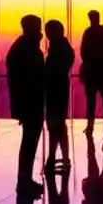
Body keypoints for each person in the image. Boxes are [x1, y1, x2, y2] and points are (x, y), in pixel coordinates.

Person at [8, 15, 47, 198]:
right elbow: (31, 77)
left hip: (29, 102)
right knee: (29, 143)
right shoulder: (26, 50)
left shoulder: (22, 48)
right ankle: (24, 181)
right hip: (31, 102)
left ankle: (25, 180)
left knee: (29, 142)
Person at [44, 20, 75, 175]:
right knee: (58, 125)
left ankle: (55, 157)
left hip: (55, 91)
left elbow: (54, 69)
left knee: (55, 125)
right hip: (59, 90)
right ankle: (62, 157)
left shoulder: (58, 49)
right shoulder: (63, 48)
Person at [79, 10, 103, 137]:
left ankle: (90, 127)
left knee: (91, 102)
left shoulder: (88, 33)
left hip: (92, 73)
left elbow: (83, 52)